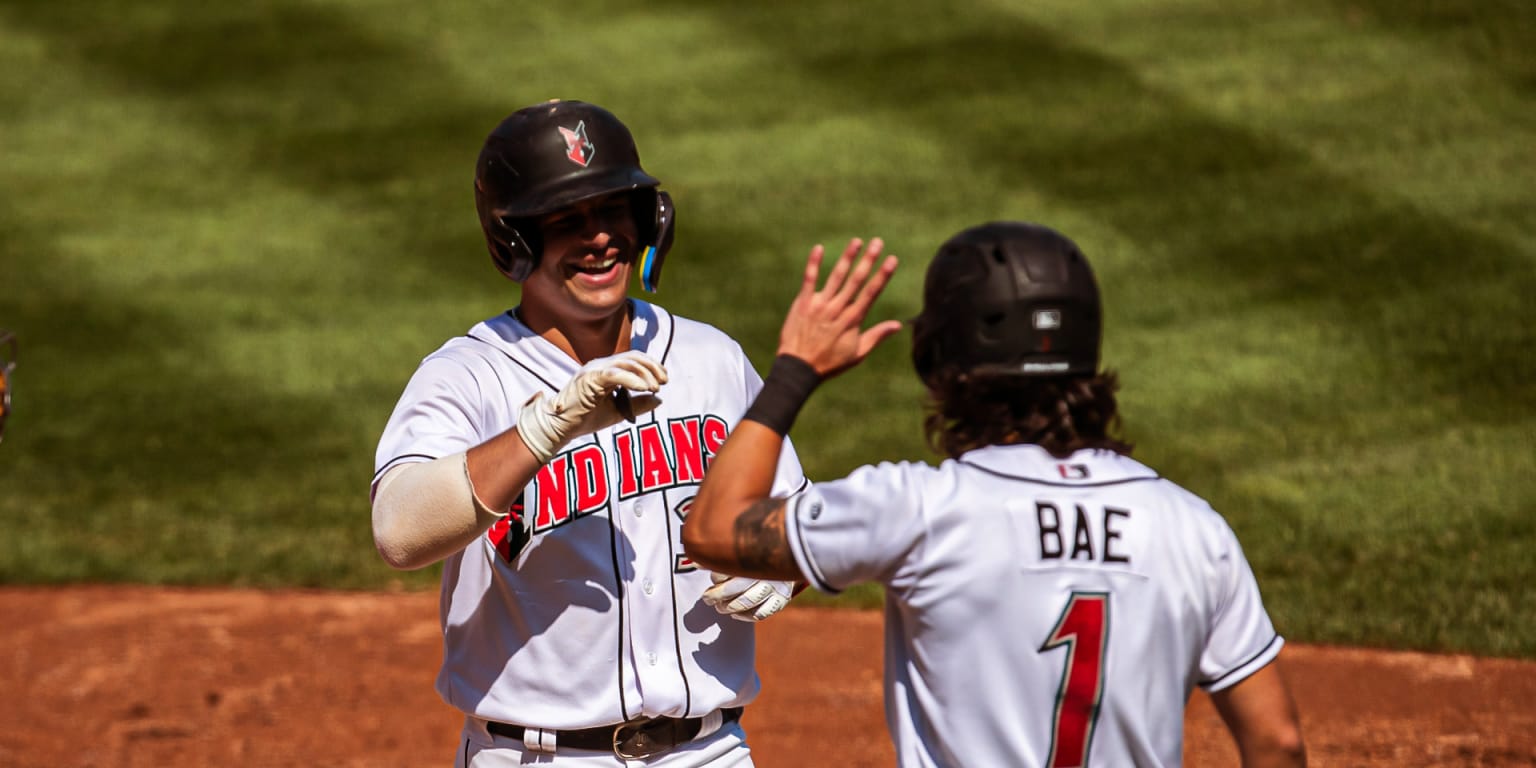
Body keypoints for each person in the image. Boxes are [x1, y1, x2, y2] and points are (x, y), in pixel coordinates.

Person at [681, 224, 1307, 767]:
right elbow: (1277, 742)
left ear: (941, 359)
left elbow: (712, 529)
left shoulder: (920, 509)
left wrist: (797, 368)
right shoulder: (1192, 528)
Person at [371, 100, 807, 767]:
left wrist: (787, 566)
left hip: (709, 753)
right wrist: (543, 430)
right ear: (514, 242)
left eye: (613, 211)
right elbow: (399, 532)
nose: (600, 238)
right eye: (566, 221)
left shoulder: (711, 358)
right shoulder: (467, 376)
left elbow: (795, 516)